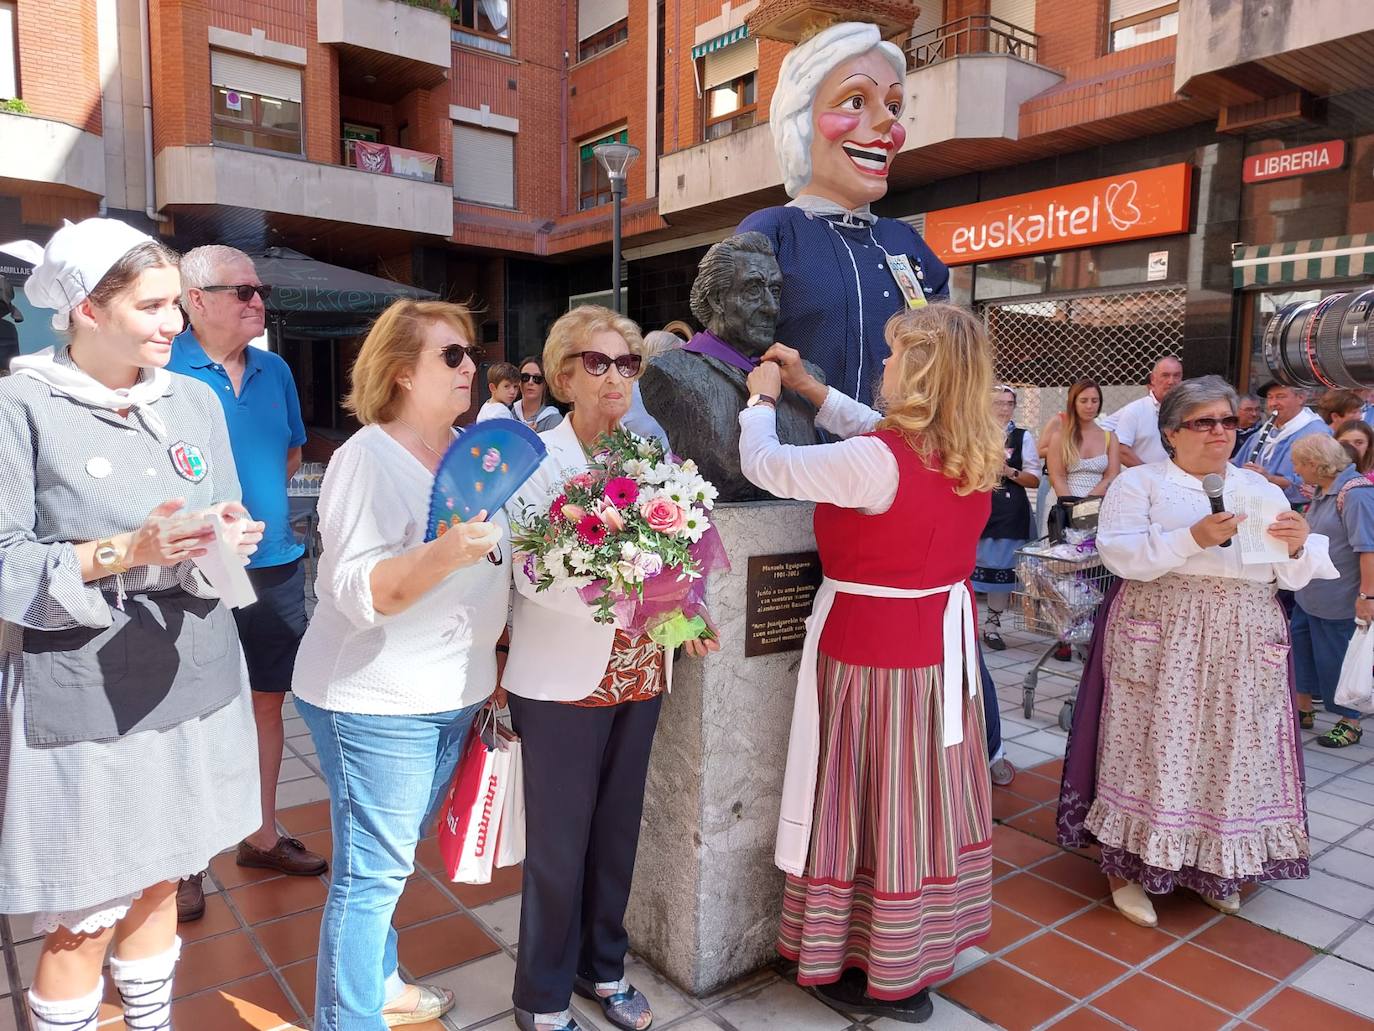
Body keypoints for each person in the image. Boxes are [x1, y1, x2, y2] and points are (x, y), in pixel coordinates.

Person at [0, 219, 264, 1031]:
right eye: (151, 306)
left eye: (173, 304)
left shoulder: (190, 398)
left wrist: (227, 533)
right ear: (84, 306)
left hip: (195, 671)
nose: (172, 322)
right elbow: (6, 559)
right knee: (84, 911)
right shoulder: (21, 404)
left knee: (161, 878)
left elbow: (220, 508)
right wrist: (122, 551)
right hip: (86, 693)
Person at [738, 303, 1001, 1024]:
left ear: (918, 369)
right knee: (919, 800)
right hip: (941, 654)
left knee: (865, 796)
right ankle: (912, 950)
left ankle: (864, 959)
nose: (882, 366)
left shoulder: (879, 459)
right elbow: (873, 437)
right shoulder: (971, 445)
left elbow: (765, 464)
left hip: (873, 649)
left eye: (892, 355)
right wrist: (812, 390)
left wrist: (762, 397)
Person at [291, 299, 507, 1030]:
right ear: (400, 372)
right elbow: (359, 590)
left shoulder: (468, 448)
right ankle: (348, 1018)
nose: (470, 366)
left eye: (470, 352)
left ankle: (378, 986)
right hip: (378, 699)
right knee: (371, 874)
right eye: (451, 355)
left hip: (452, 691)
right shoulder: (367, 457)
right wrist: (448, 550)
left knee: (388, 863)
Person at [503, 305, 720, 1031]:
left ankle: (603, 967)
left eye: (627, 363)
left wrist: (687, 614)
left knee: (617, 831)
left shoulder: (647, 456)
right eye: (597, 364)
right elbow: (531, 572)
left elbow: (683, 552)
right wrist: (626, 582)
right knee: (559, 846)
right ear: (564, 374)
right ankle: (539, 992)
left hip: (639, 675)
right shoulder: (535, 459)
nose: (615, 377)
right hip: (565, 681)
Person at [1058, 376, 1334, 929]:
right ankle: (1129, 867)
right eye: (1204, 422)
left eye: (1228, 422)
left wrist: (1301, 542)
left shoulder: (1261, 491)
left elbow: (1290, 575)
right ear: (1170, 432)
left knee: (1230, 745)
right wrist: (1193, 538)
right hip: (1164, 628)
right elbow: (1120, 556)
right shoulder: (1140, 485)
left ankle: (1212, 862)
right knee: (1153, 741)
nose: (1219, 433)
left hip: (1245, 632)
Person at [170, 245, 325, 924]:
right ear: (195, 299)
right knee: (191, 711)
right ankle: (183, 860)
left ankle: (261, 834)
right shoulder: (163, 368)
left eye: (259, 290)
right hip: (191, 570)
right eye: (242, 291)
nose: (257, 300)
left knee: (268, 702)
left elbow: (291, 450)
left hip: (276, 562)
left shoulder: (276, 369)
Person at [738, 21, 949, 404]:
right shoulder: (773, 232)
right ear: (798, 117)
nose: (888, 121)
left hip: (895, 455)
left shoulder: (904, 241)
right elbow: (734, 361)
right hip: (800, 456)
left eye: (894, 106)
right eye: (856, 101)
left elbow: (945, 358)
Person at [638, 233, 821, 501]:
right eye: (753, 290)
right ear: (717, 300)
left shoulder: (808, 376)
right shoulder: (670, 372)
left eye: (775, 291)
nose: (771, 307)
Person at [1290, 434, 1372, 748]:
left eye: (1298, 463)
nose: (1296, 470)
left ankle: (1350, 722)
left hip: (1339, 600)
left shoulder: (1355, 494)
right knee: (1305, 654)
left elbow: (1369, 549)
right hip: (1310, 595)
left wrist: (1367, 597)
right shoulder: (1326, 491)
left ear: (1314, 463)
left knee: (1336, 660)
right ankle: (1303, 708)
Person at [974, 386, 1038, 652]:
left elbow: (1033, 479)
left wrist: (1008, 470)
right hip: (975, 508)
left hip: (1009, 511)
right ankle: (962, 625)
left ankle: (991, 626)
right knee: (965, 568)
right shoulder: (973, 433)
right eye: (998, 403)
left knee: (1001, 571)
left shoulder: (1023, 437)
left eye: (1009, 403)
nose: (1003, 408)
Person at [1234, 382, 1331, 506]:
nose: (1273, 403)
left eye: (1280, 396)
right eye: (1270, 397)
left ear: (1301, 398)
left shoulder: (1316, 432)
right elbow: (1238, 463)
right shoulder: (1265, 429)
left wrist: (1270, 478)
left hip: (1292, 510)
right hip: (1255, 504)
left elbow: (1317, 481)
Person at [1098, 355, 1182, 467]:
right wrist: (1149, 474)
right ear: (1153, 379)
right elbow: (1121, 450)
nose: (1171, 381)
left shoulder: (1188, 411)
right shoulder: (1135, 410)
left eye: (1176, 375)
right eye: (1165, 375)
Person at [1047, 380, 1121, 501]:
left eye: (1094, 401)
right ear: (1073, 403)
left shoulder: (1110, 437)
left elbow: (1111, 475)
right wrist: (1070, 506)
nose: (1089, 406)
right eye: (1083, 401)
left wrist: (1087, 503)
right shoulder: (1059, 437)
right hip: (1064, 501)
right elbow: (1057, 477)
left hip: (1099, 503)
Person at [514, 355, 563, 431]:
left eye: (537, 378)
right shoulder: (508, 414)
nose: (530, 382)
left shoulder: (553, 420)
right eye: (525, 377)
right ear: (519, 382)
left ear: (545, 384)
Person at [1232, 392, 1262, 458]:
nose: (1254, 414)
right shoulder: (1227, 429)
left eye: (1257, 409)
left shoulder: (1262, 433)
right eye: (1248, 410)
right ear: (1236, 410)